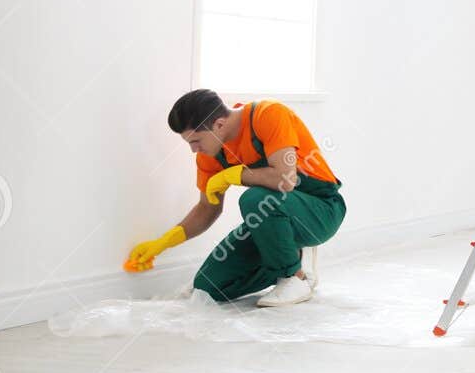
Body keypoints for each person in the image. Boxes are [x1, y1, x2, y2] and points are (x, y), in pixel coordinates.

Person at [122, 90, 345, 307]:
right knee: (207, 288)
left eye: (196, 141)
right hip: (273, 217)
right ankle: (292, 256)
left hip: (321, 209)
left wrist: (233, 175)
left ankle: (294, 278)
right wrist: (163, 242)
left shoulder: (268, 114)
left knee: (254, 199)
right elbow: (207, 208)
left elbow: (285, 179)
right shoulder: (210, 153)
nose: (193, 149)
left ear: (219, 124)